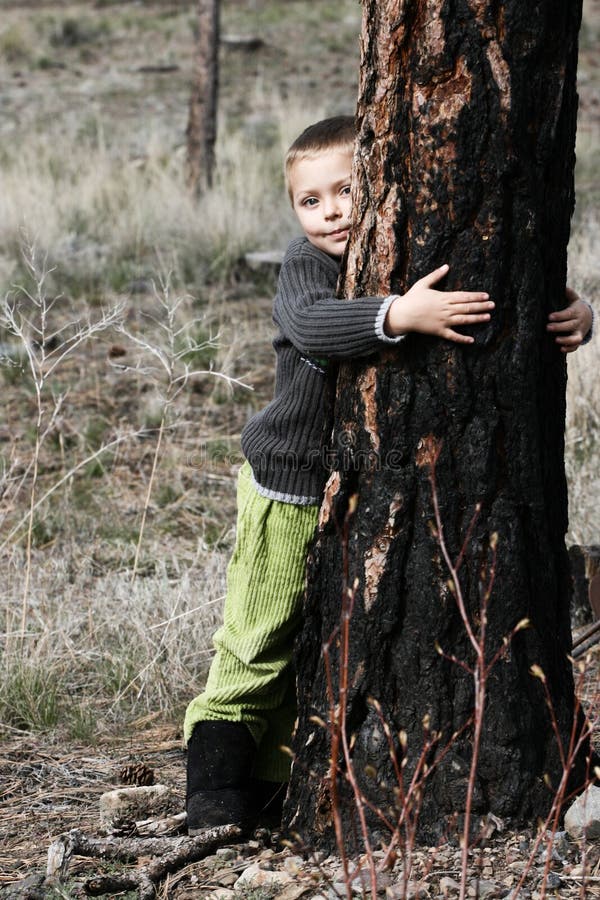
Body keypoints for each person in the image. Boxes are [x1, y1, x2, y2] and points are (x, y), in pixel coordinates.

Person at [184, 116, 594, 834]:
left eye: (346, 190)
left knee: (315, 644)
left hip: (350, 497)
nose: (332, 211)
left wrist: (571, 308)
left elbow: (494, 277)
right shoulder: (306, 267)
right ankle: (211, 788)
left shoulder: (403, 244)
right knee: (259, 634)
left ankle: (271, 787)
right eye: (310, 200)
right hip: (288, 485)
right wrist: (400, 314)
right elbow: (313, 328)